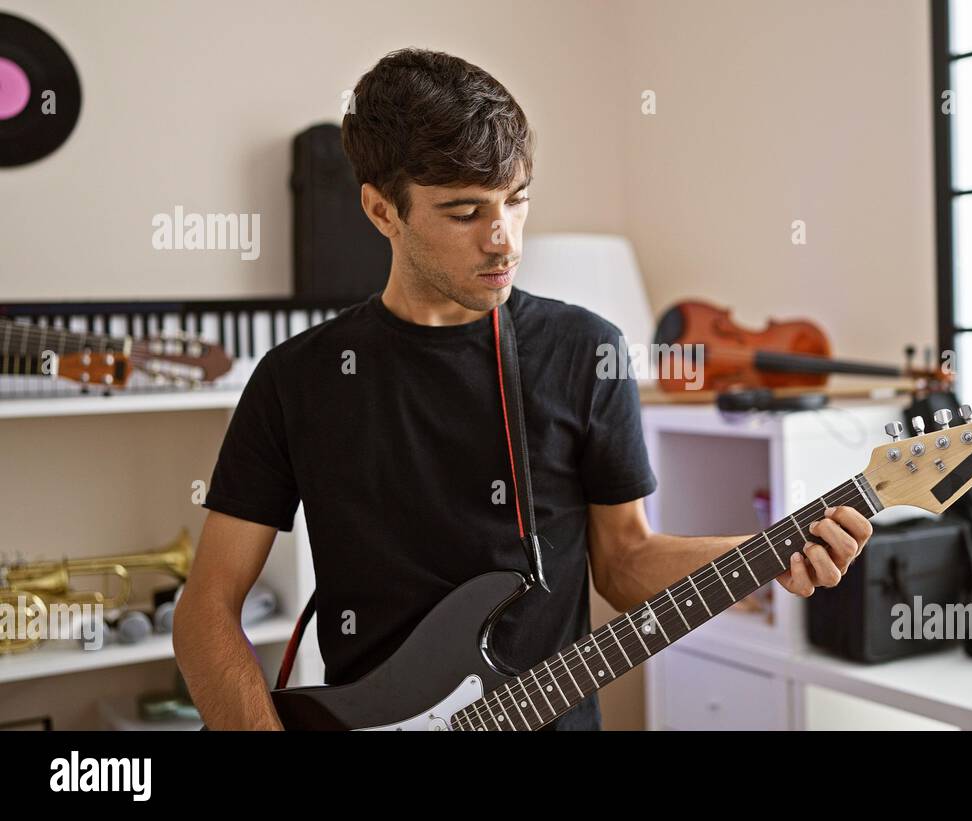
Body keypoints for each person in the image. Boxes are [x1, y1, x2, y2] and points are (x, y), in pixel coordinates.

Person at [173, 48, 871, 731]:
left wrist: (766, 552)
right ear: (383, 211)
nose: (503, 239)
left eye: (516, 200)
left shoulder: (585, 352)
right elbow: (207, 607)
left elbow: (624, 561)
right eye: (465, 212)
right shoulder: (298, 380)